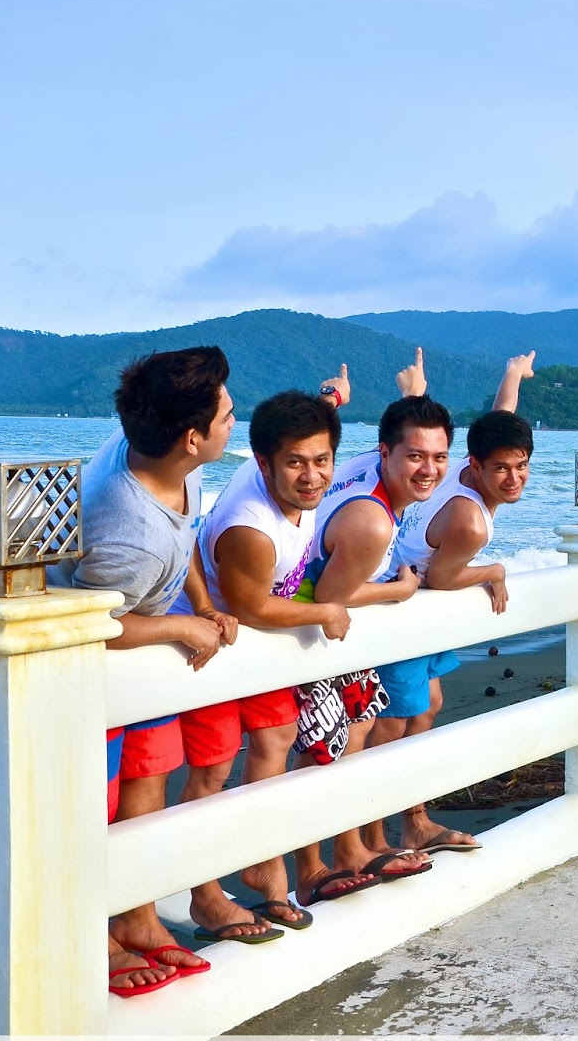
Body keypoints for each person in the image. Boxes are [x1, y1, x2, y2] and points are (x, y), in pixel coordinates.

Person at [47, 346, 238, 996]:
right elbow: (95, 623)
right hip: (91, 672)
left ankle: (137, 915)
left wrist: (204, 604)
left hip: (144, 651)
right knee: (95, 806)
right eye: (226, 415)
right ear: (193, 438)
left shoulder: (167, 457)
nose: (233, 421)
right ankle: (94, 936)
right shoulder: (128, 530)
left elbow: (184, 534)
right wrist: (181, 627)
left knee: (150, 773)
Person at [175, 381, 356, 937]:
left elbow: (312, 426)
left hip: (257, 651)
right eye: (295, 463)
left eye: (322, 461)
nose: (312, 476)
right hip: (210, 649)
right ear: (263, 463)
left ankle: (262, 861)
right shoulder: (251, 527)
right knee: (212, 768)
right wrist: (324, 612)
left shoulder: (294, 476)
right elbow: (250, 607)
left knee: (277, 736)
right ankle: (205, 894)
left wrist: (332, 398)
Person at [365, 350, 537, 855]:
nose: (513, 479)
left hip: (416, 610)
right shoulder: (470, 522)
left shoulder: (463, 466)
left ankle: (414, 821)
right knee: (391, 724)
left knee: (429, 706)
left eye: (522, 467)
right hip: (400, 609)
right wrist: (494, 571)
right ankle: (373, 839)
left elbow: (501, 416)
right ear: (477, 465)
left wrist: (513, 374)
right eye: (501, 469)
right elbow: (442, 579)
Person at [287, 357, 445, 905]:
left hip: (332, 633)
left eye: (439, 457)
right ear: (385, 453)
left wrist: (342, 398)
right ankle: (311, 868)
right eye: (417, 457)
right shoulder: (373, 518)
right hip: (304, 632)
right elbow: (328, 597)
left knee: (354, 732)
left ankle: (351, 850)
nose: (429, 469)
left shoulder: (363, 466)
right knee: (325, 747)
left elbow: (396, 438)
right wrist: (397, 591)